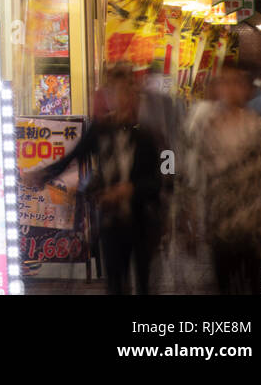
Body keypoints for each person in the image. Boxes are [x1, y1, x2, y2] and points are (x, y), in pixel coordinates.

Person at [24, 65, 162, 295]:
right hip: (110, 220)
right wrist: (42, 174)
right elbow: (73, 156)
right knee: (115, 283)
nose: (122, 98)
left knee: (143, 283)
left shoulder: (147, 135)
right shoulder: (100, 129)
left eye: (127, 91)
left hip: (142, 220)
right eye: (116, 92)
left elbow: (161, 179)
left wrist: (132, 189)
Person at [185, 64, 261, 295]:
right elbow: (195, 178)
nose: (230, 89)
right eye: (225, 82)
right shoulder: (206, 130)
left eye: (236, 82)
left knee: (253, 286)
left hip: (253, 230)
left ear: (246, 89)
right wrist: (190, 222)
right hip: (221, 229)